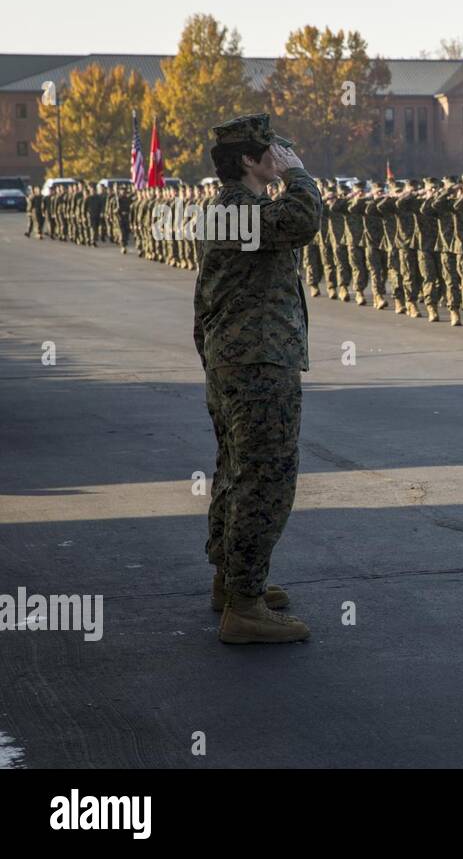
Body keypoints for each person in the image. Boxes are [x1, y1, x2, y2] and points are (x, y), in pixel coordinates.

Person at [194, 113, 321, 643]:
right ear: (249, 160)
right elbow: (304, 218)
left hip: (240, 360)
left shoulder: (236, 210)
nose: (281, 154)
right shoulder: (235, 211)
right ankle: (244, 607)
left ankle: (234, 581)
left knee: (238, 470)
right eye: (271, 149)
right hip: (256, 363)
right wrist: (299, 173)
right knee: (265, 477)